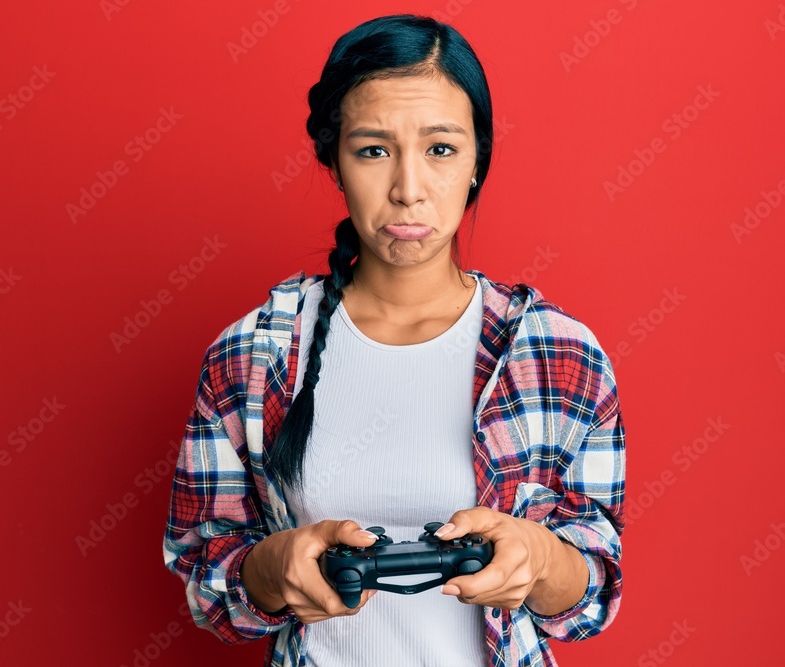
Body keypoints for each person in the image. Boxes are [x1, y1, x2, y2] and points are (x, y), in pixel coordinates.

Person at [163, 13, 625, 667]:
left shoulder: (558, 355)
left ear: (476, 160)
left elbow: (595, 590)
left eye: (440, 149)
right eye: (373, 149)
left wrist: (540, 559)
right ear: (335, 160)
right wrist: (273, 568)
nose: (409, 190)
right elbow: (208, 577)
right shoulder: (252, 356)